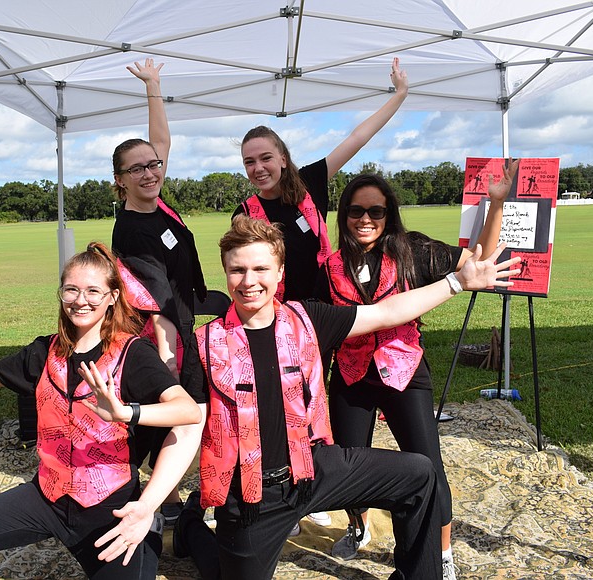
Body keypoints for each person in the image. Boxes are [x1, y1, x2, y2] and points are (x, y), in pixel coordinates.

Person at [173, 215, 520, 579]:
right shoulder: (205, 345)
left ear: (279, 272)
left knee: (420, 475)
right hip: (253, 494)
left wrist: (457, 281)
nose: (249, 281)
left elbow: (385, 312)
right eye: (237, 270)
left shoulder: (306, 318)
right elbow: (187, 430)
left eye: (261, 268)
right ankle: (191, 528)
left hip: (312, 465)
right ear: (225, 273)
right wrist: (148, 504)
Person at [0, 243, 202, 580]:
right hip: (47, 496)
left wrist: (125, 413)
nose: (80, 300)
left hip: (111, 508)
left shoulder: (133, 353)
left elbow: (187, 410)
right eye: (71, 289)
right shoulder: (45, 351)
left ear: (113, 296)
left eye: (93, 291)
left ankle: (157, 529)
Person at [314, 163, 518, 576]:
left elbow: (474, 261)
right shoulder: (329, 266)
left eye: (376, 211)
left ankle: (440, 553)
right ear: (344, 216)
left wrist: (495, 204)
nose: (366, 220)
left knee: (426, 464)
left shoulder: (413, 250)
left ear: (390, 215)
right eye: (356, 211)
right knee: (348, 463)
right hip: (352, 374)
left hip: (403, 369)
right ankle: (359, 527)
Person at [110, 58, 207, 524]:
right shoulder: (133, 230)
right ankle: (147, 504)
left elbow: (161, 142)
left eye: (153, 166)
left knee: (172, 423)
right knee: (175, 418)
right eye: (137, 169)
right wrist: (170, 356)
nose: (150, 172)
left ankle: (159, 501)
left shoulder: (157, 205)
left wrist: (154, 86)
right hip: (161, 338)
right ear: (120, 180)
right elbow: (157, 300)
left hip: (181, 325)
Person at [233, 57, 408, 303]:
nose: (258, 168)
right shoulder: (244, 213)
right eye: (249, 162)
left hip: (328, 302)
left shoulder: (309, 181)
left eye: (266, 158)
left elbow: (357, 138)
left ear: (283, 159)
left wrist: (400, 95)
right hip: (280, 311)